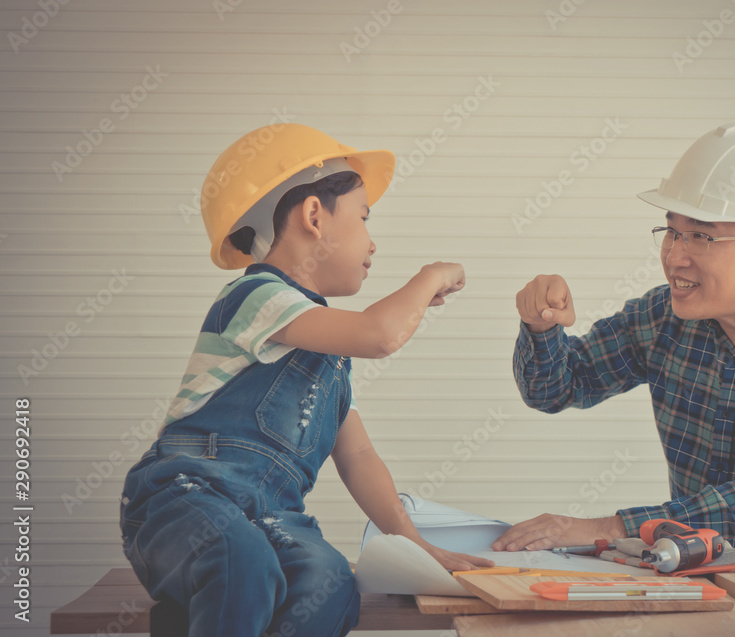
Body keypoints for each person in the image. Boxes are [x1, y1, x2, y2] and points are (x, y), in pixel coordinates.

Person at [493, 123, 735, 636]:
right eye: (673, 231)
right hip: (697, 586)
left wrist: (602, 528)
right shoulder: (665, 318)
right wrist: (541, 327)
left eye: (701, 236)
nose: (673, 255)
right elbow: (555, 387)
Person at [119, 123, 492, 637]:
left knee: (331, 582)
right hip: (187, 497)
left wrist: (415, 544)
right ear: (314, 215)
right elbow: (379, 335)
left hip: (273, 517)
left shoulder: (328, 353)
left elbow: (358, 457)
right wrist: (430, 276)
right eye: (364, 217)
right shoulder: (255, 297)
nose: (374, 242)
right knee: (240, 560)